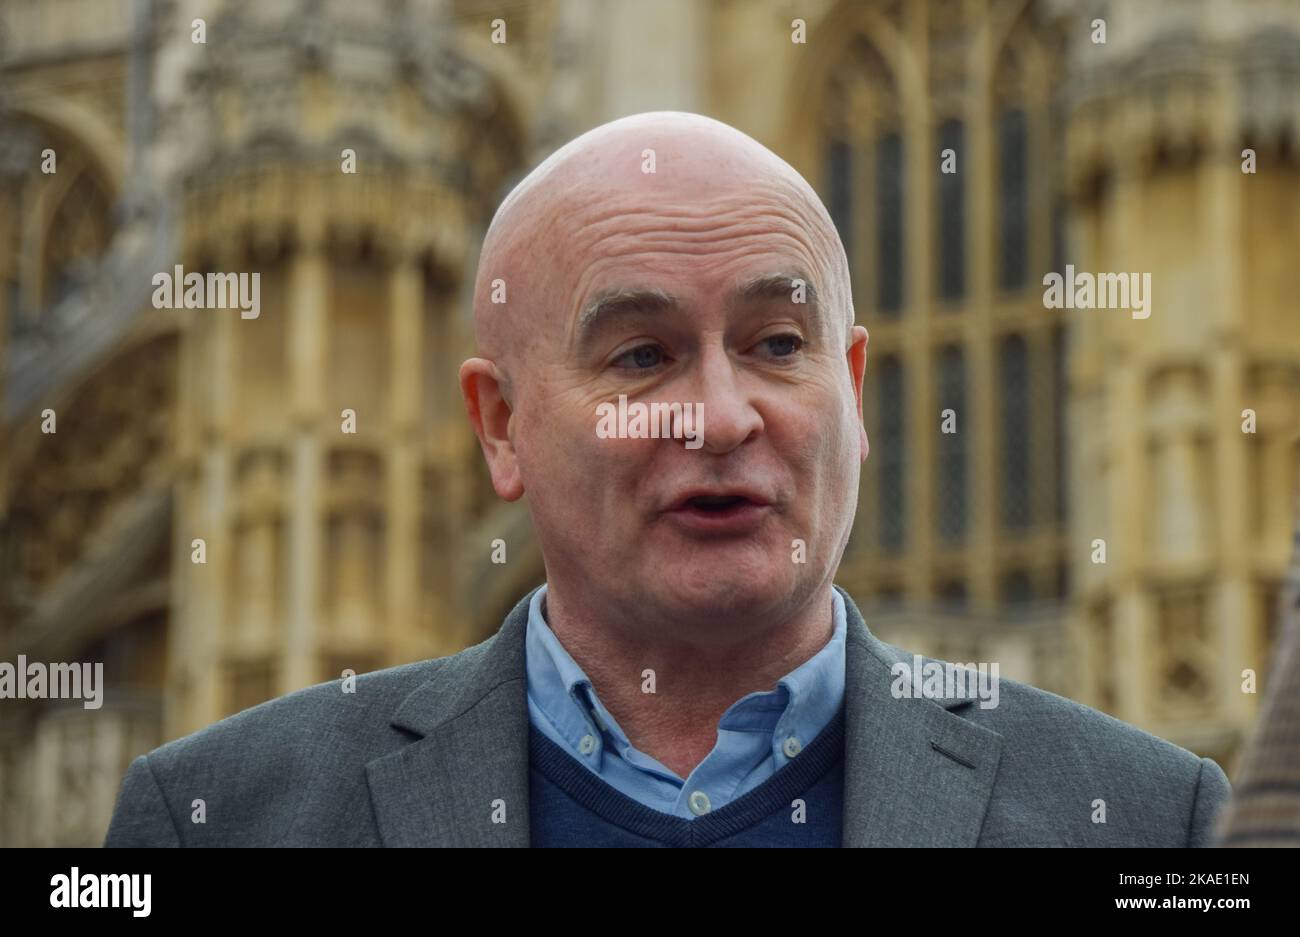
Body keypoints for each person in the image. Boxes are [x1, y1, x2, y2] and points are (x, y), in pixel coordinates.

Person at [105, 111, 1229, 847]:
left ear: (853, 387)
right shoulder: (220, 818)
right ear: (500, 426)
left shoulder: (1147, 823)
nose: (724, 414)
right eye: (641, 355)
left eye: (778, 344)